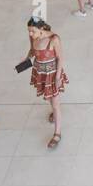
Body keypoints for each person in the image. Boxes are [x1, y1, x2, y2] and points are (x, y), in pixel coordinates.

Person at [24, 17, 67, 149]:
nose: (30, 34)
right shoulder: (33, 37)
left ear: (41, 29)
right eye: (29, 31)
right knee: (50, 98)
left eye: (33, 31)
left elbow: (60, 58)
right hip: (41, 72)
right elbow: (32, 51)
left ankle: (57, 133)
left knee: (55, 103)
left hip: (52, 74)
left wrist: (58, 77)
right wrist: (25, 61)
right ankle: (54, 113)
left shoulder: (54, 39)